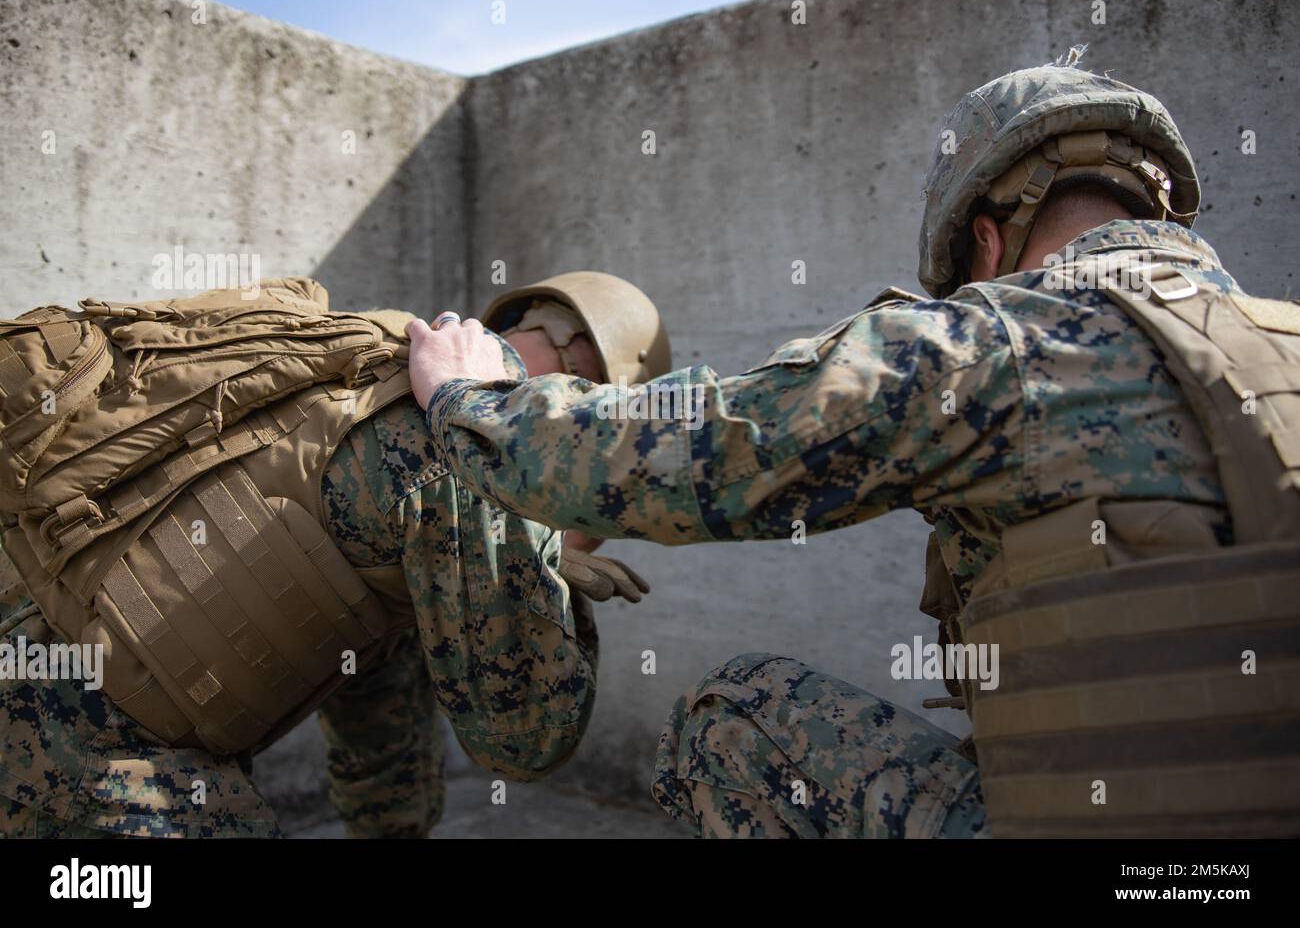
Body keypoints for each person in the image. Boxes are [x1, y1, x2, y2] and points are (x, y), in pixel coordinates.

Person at [406, 52, 1300, 837]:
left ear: (987, 239)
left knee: (735, 720)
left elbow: (686, 455)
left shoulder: (989, 343)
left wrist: (467, 395)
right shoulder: (1284, 342)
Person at [0, 271, 668, 838]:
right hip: (67, 745)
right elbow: (526, 736)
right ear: (596, 394)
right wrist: (545, 571)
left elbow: (380, 733)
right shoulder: (467, 461)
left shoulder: (358, 354)